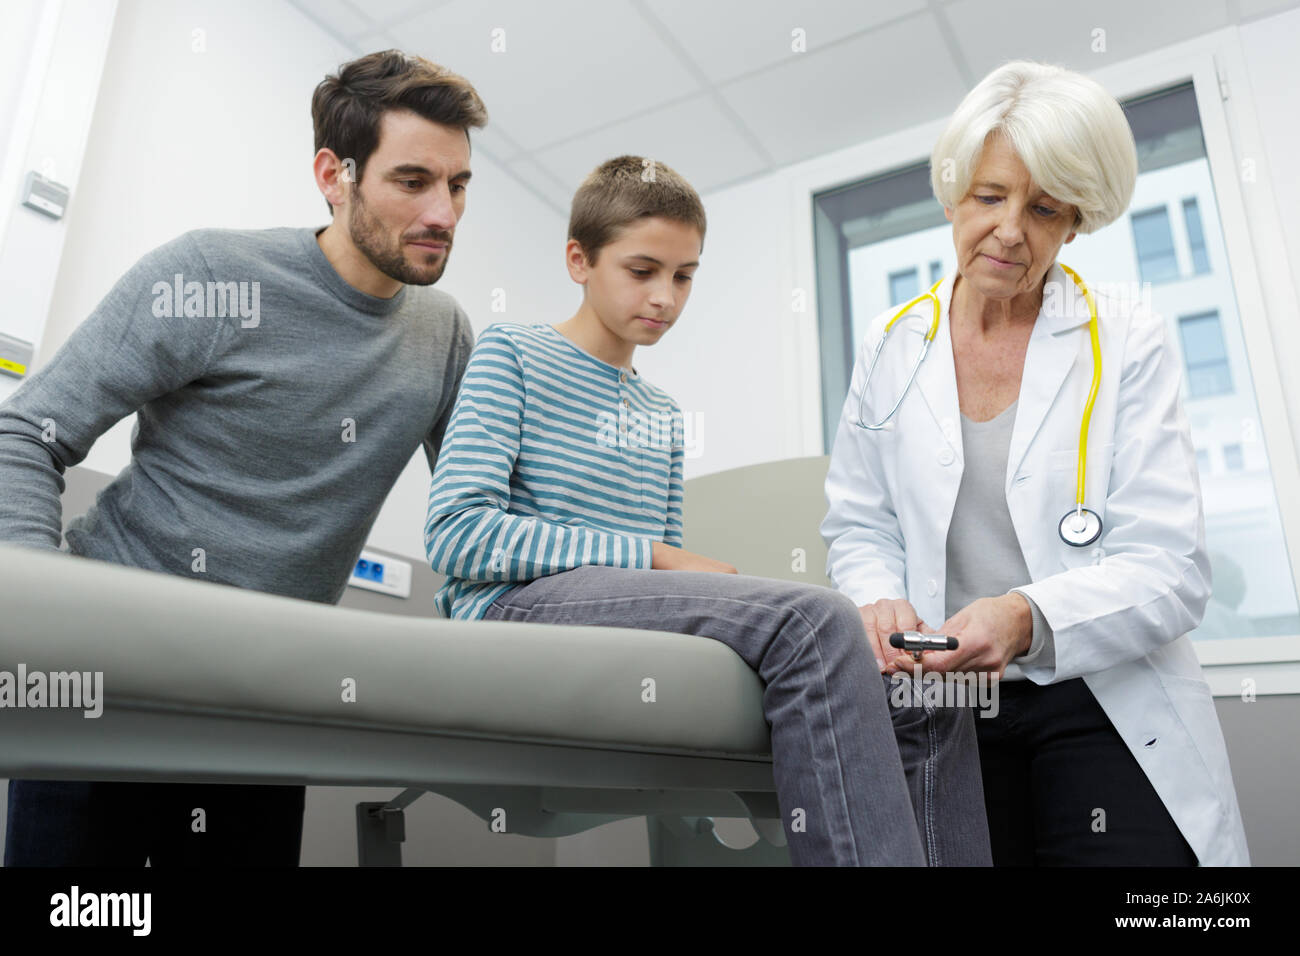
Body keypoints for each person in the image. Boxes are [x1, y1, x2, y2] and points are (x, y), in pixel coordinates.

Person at [425, 155, 993, 866]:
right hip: (511, 609)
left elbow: (650, 598)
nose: (665, 296)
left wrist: (691, 583)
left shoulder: (661, 413)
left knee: (919, 681)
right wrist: (659, 558)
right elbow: (456, 534)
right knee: (816, 619)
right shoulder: (512, 353)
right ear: (580, 259)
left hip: (607, 612)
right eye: (642, 270)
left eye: (684, 275)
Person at [0, 50, 484, 866]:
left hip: (260, 707)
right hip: (109, 686)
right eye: (412, 181)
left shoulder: (444, 336)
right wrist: (42, 619)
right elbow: (27, 433)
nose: (443, 211)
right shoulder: (209, 276)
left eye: (459, 184)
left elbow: (481, 526)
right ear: (335, 174)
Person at [821, 60, 1249, 865]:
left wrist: (1025, 616)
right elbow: (858, 521)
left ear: (1076, 222)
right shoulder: (889, 345)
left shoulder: (1127, 336)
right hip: (948, 702)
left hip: (1102, 689)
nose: (1011, 229)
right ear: (953, 194)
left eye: (1044, 207)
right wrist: (877, 599)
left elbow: (1171, 565)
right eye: (990, 196)